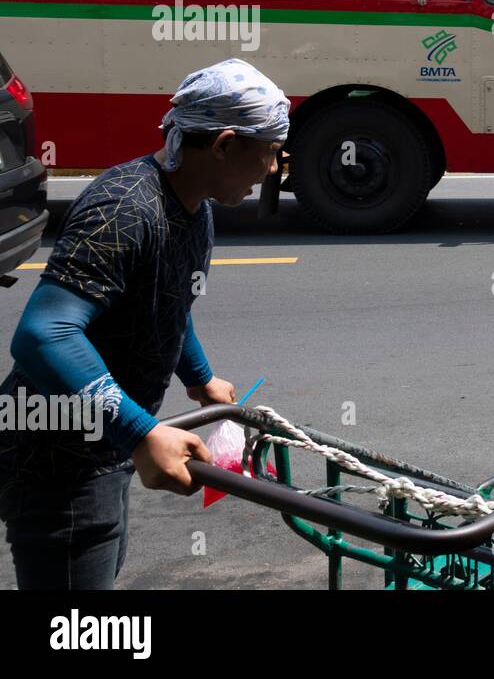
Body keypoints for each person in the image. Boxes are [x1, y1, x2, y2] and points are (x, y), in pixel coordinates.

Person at [0, 59, 289, 589]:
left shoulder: (193, 203)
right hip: (59, 459)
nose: (273, 169)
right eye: (269, 151)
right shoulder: (126, 207)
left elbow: (167, 300)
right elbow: (44, 335)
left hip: (107, 443)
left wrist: (198, 377)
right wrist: (142, 431)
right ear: (224, 145)